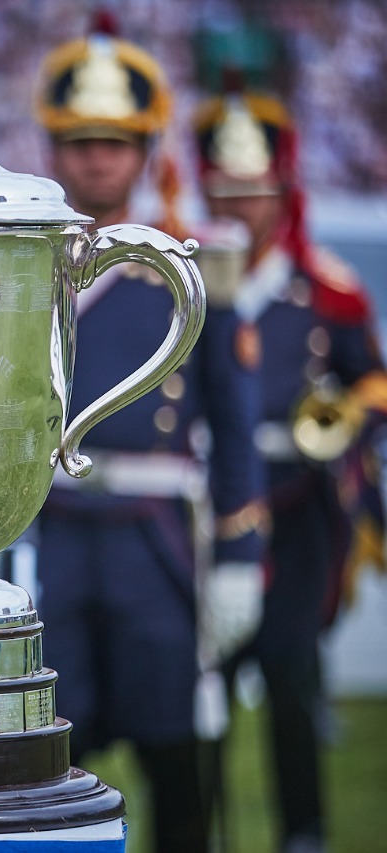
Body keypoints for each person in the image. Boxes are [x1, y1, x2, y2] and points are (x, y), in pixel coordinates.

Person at [31, 18, 268, 853]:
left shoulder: (192, 272)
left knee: (176, 755)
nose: (99, 159)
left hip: (156, 544)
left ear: (145, 151)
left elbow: (233, 426)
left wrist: (239, 550)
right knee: (47, 761)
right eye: (82, 141)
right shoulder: (26, 272)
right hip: (50, 533)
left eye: (117, 142)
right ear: (54, 149)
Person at [193, 83, 387, 853]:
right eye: (224, 190)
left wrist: (345, 419)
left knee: (291, 674)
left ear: (283, 193)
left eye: (255, 191)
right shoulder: (184, 278)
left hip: (298, 504)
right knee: (198, 684)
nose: (240, 208)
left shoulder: (326, 288)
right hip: (207, 501)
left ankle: (302, 831)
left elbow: (373, 376)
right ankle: (198, 828)